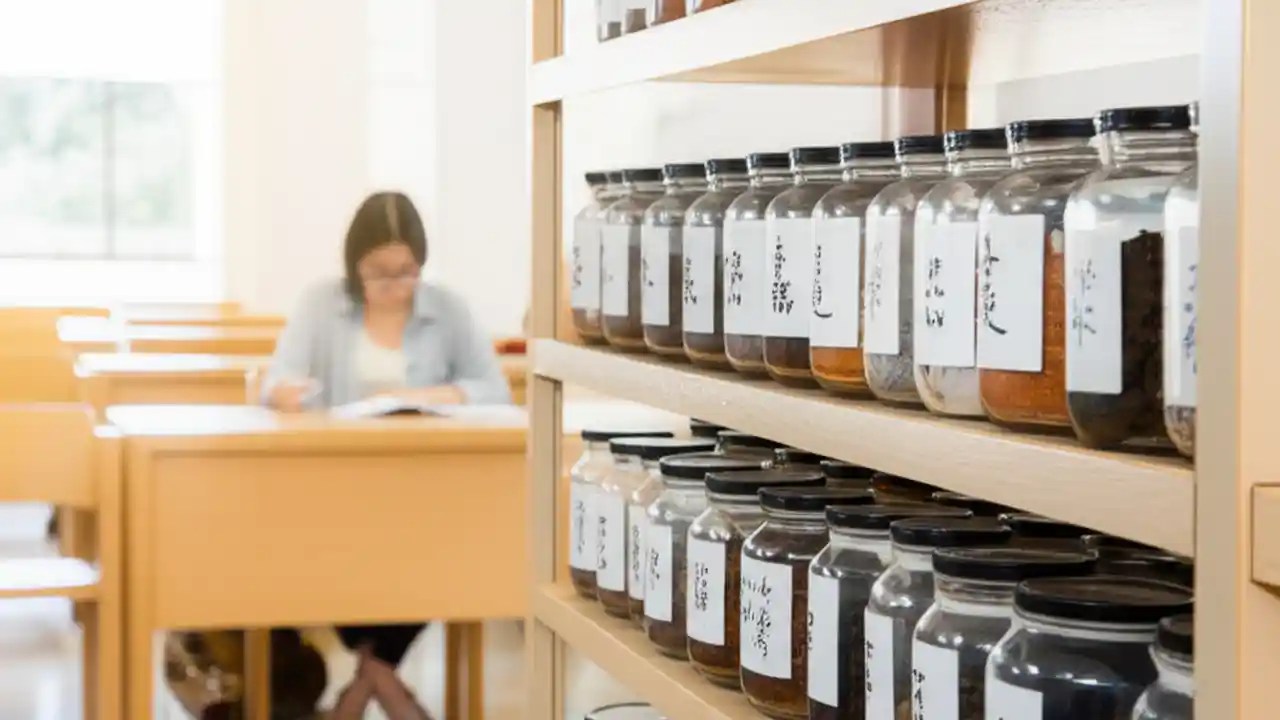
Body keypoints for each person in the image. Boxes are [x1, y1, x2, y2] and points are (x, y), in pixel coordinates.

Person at [261, 191, 512, 720]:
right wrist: (286, 393)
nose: (394, 285)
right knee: (342, 558)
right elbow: (276, 380)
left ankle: (365, 685)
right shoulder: (319, 303)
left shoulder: (447, 309)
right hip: (333, 488)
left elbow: (494, 390)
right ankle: (385, 684)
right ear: (355, 266)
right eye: (379, 273)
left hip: (427, 493)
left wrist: (434, 397)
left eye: (406, 271)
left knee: (437, 552)